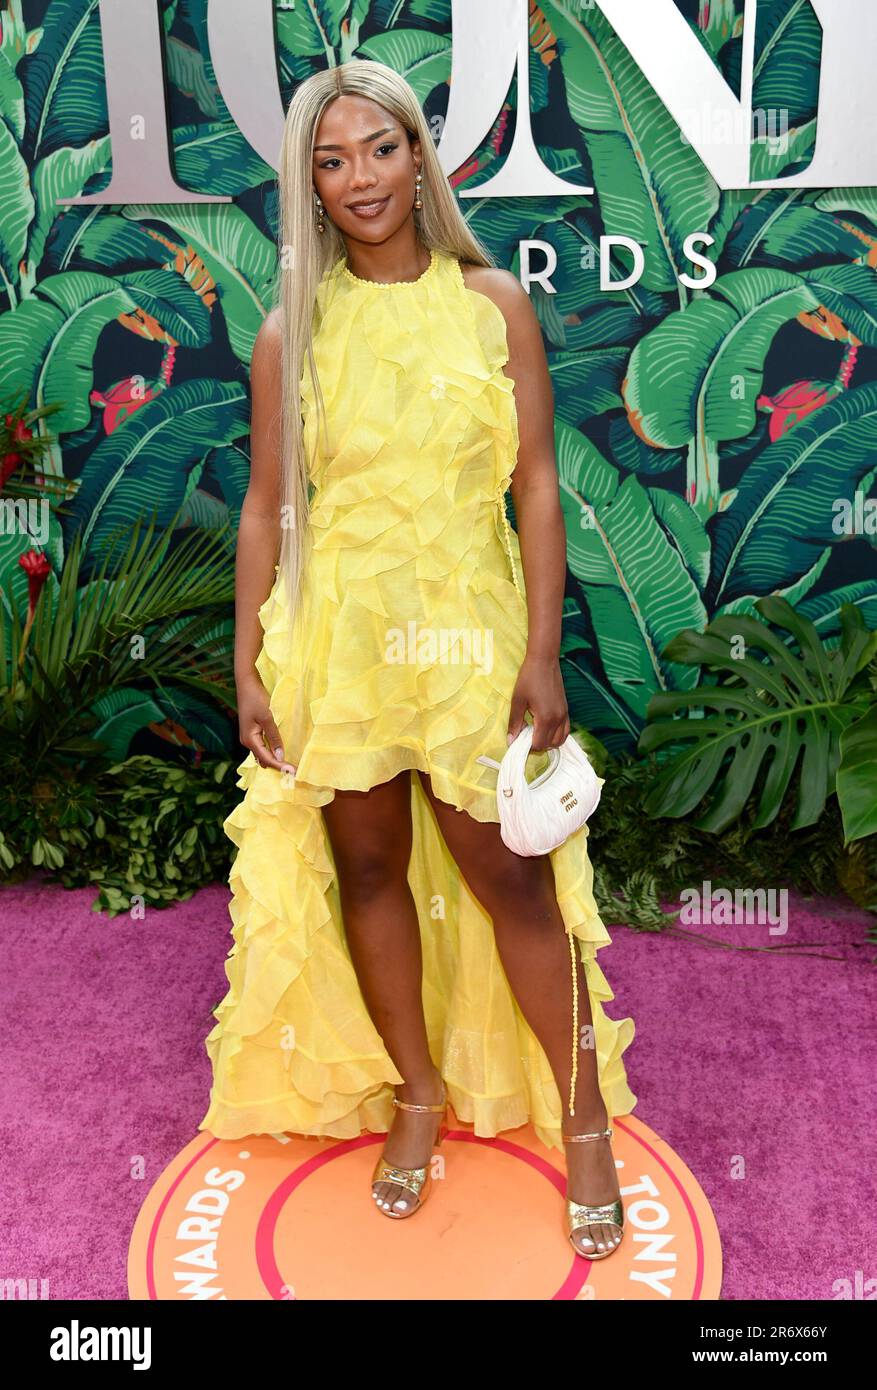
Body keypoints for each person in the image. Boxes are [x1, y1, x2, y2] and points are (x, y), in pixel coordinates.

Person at [198, 59, 636, 1262]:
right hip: (340, 641)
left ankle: (584, 1118)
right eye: (331, 161)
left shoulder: (492, 303)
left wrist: (541, 651)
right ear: (308, 185)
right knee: (368, 869)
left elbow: (535, 483)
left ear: (418, 155)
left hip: (465, 642)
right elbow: (265, 508)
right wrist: (249, 663)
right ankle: (418, 1095)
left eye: (380, 149)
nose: (360, 179)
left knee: (512, 882)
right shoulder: (292, 331)